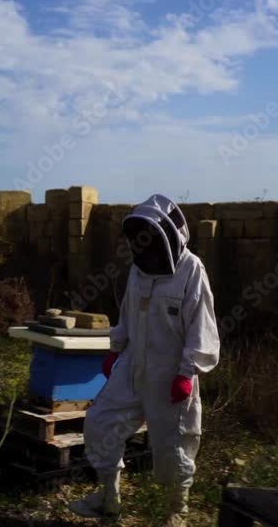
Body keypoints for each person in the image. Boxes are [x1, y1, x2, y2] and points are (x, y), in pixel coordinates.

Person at [68, 194, 220, 526]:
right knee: (100, 422)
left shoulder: (191, 270)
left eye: (152, 240)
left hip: (171, 374)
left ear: (169, 236)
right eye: (141, 241)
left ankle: (174, 512)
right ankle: (109, 498)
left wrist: (187, 370)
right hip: (133, 365)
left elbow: (201, 325)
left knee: (174, 444)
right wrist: (116, 347)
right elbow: (127, 311)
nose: (145, 249)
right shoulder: (139, 269)